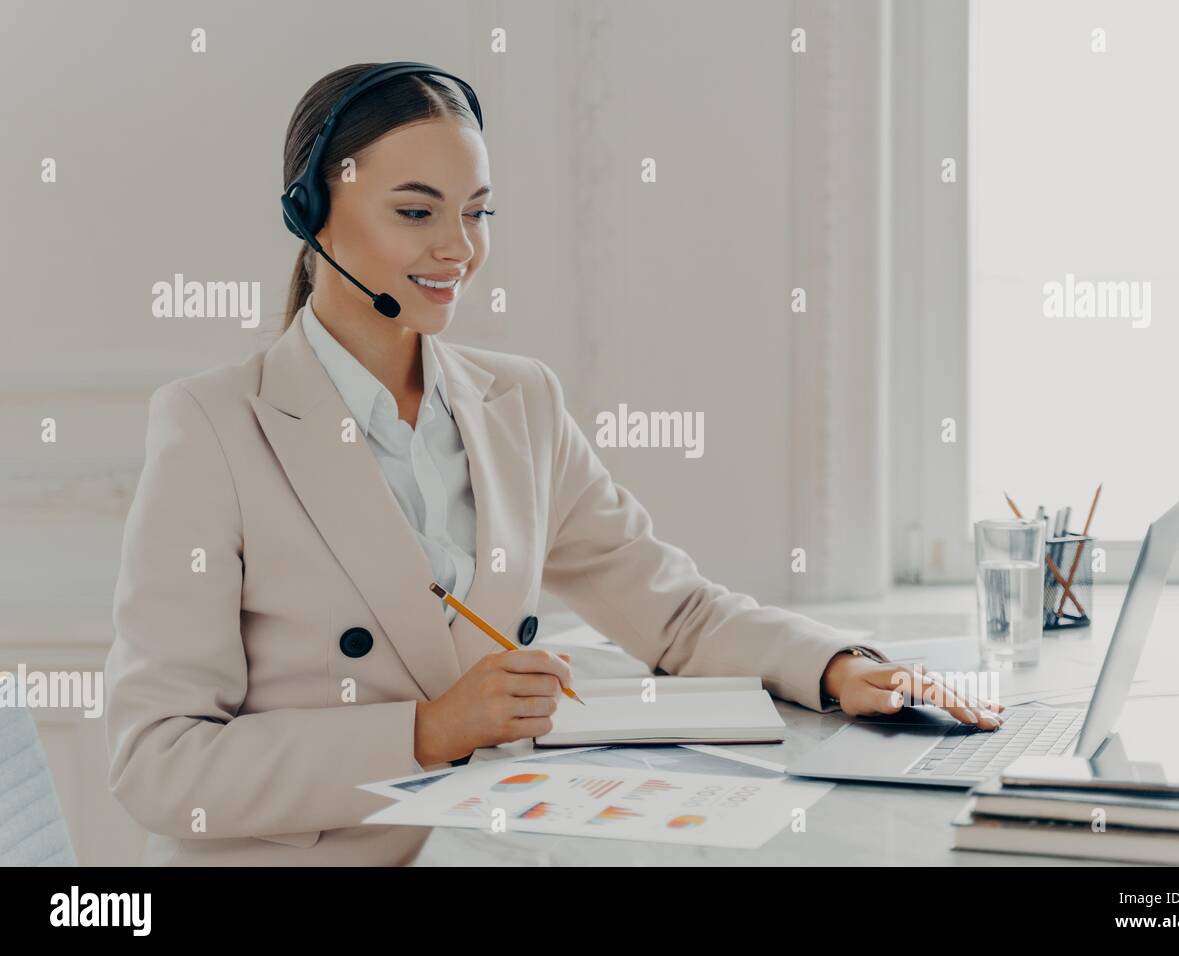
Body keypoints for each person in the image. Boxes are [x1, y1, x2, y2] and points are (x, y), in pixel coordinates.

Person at [104, 62, 1003, 866]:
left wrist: (840, 667)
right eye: (417, 212)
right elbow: (158, 764)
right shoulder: (214, 425)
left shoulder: (518, 402)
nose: (460, 248)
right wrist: (426, 732)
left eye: (478, 212)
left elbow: (676, 613)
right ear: (311, 213)